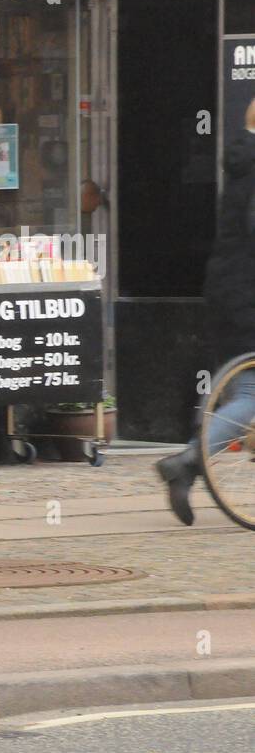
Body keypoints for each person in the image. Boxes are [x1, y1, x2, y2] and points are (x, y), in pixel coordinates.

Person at [157, 98, 255, 524]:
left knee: (244, 390)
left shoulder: (242, 161)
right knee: (252, 393)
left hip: (228, 290)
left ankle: (189, 467)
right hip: (247, 295)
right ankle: (187, 462)